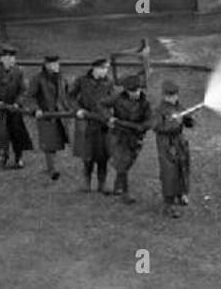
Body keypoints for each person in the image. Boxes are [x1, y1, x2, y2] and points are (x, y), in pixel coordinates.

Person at [103, 74, 151, 203]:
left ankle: (113, 184)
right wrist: (109, 118)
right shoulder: (117, 98)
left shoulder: (145, 103)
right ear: (126, 91)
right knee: (122, 163)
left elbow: (149, 121)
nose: (135, 94)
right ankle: (125, 193)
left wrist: (141, 127)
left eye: (137, 90)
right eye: (131, 91)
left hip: (135, 138)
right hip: (119, 135)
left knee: (128, 162)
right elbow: (101, 104)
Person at [68, 57, 114, 191]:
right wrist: (78, 110)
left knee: (103, 155)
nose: (105, 71)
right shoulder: (82, 81)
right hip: (86, 122)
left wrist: (109, 116)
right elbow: (70, 97)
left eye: (106, 69)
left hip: (102, 123)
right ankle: (86, 183)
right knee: (87, 154)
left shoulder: (109, 83)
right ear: (95, 68)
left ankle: (102, 184)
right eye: (103, 68)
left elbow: (113, 101)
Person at [151, 79, 195, 217]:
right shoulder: (158, 111)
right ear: (164, 95)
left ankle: (181, 193)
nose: (173, 98)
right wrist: (175, 123)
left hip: (179, 142)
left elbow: (188, 122)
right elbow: (157, 127)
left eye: (175, 95)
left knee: (183, 168)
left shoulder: (178, 106)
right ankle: (168, 205)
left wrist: (188, 120)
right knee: (169, 173)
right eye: (170, 95)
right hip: (166, 145)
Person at [0, 45, 32, 169]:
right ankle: (2, 155)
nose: (11, 60)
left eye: (12, 57)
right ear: (2, 59)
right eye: (8, 57)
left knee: (17, 132)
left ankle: (19, 156)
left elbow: (23, 90)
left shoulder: (18, 72)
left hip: (13, 107)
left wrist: (17, 103)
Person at [27, 54, 69, 181]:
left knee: (57, 141)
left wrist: (68, 108)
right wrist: (36, 109)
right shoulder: (37, 79)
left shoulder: (62, 78)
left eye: (56, 64)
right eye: (52, 64)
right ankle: (52, 169)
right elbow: (30, 97)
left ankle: (52, 166)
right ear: (46, 65)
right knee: (49, 142)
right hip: (46, 114)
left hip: (60, 114)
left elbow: (66, 94)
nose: (55, 66)